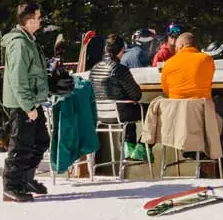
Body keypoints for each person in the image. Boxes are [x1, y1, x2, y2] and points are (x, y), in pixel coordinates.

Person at [0, 1, 50, 202]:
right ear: (28, 20)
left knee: (40, 140)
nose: (40, 21)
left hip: (32, 102)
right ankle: (11, 186)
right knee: (21, 145)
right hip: (22, 104)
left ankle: (25, 179)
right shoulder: (19, 44)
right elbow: (17, 77)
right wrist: (28, 105)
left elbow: (34, 73)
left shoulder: (29, 40)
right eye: (38, 18)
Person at [90, 34, 148, 162]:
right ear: (122, 50)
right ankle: (142, 147)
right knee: (154, 111)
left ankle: (128, 148)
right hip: (121, 114)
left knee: (127, 107)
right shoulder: (120, 69)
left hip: (100, 115)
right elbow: (137, 95)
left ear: (106, 50)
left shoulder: (94, 69)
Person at [159, 32, 215, 100]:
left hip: (177, 107)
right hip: (201, 108)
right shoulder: (207, 59)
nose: (175, 50)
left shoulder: (169, 63)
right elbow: (209, 82)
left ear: (181, 46)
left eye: (176, 47)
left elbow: (165, 90)